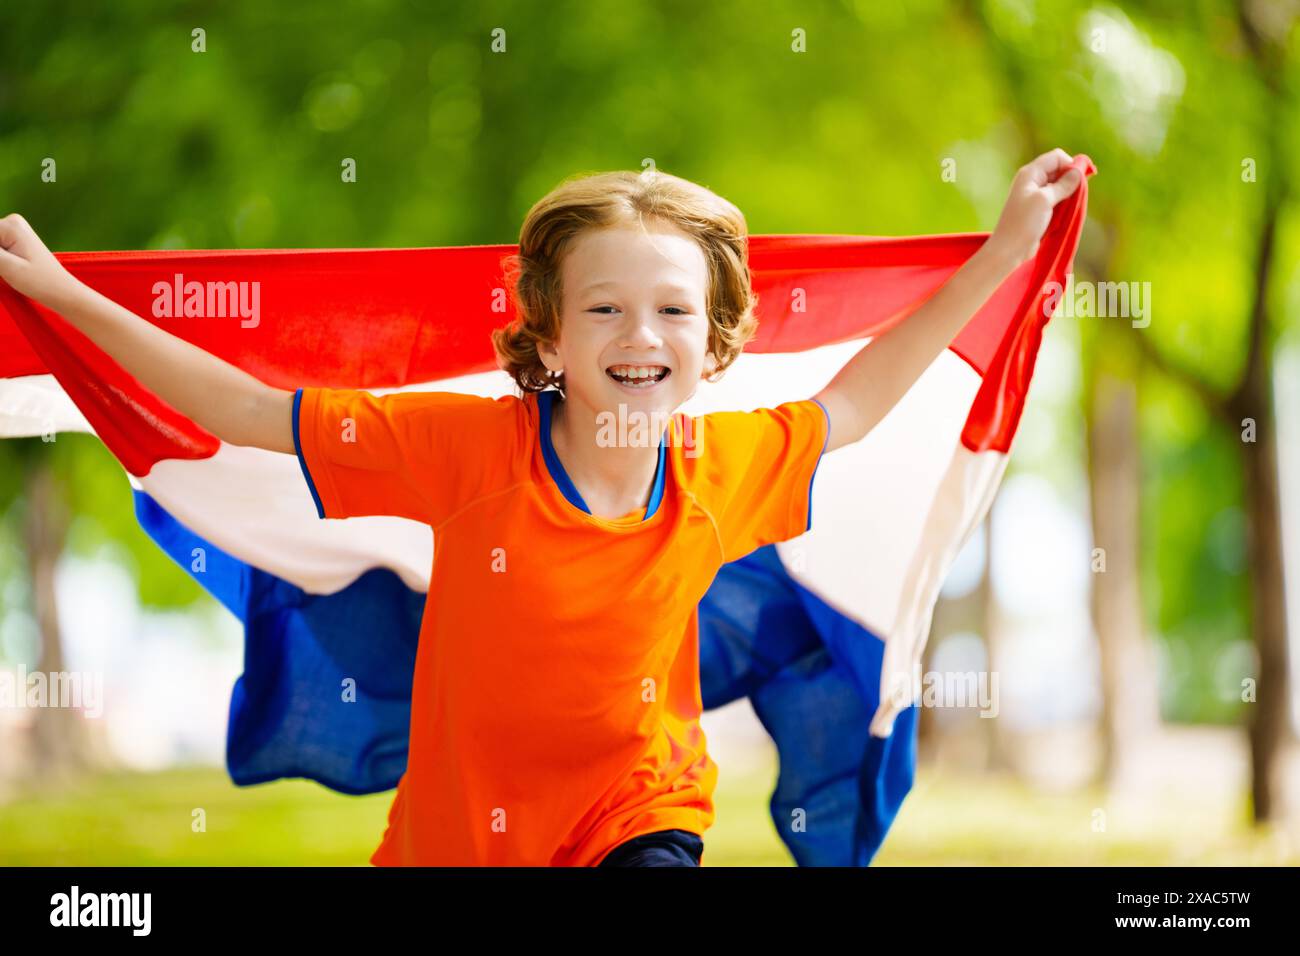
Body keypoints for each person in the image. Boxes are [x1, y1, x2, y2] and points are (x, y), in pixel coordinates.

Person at [0, 150, 1082, 866]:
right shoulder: (466, 448)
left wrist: (1002, 252)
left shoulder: (724, 465)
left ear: (712, 345)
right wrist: (57, 290)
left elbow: (858, 399)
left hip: (641, 813)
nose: (640, 334)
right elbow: (243, 410)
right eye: (604, 308)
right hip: (460, 838)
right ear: (550, 336)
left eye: (672, 311)